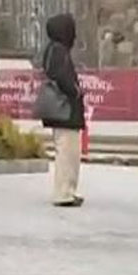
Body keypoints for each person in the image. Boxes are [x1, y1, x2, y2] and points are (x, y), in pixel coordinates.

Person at [42, 13, 85, 208]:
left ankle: (67, 190)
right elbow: (62, 77)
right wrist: (75, 90)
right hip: (65, 110)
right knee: (67, 151)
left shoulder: (52, 49)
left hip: (62, 110)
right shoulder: (59, 51)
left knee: (66, 151)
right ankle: (64, 192)